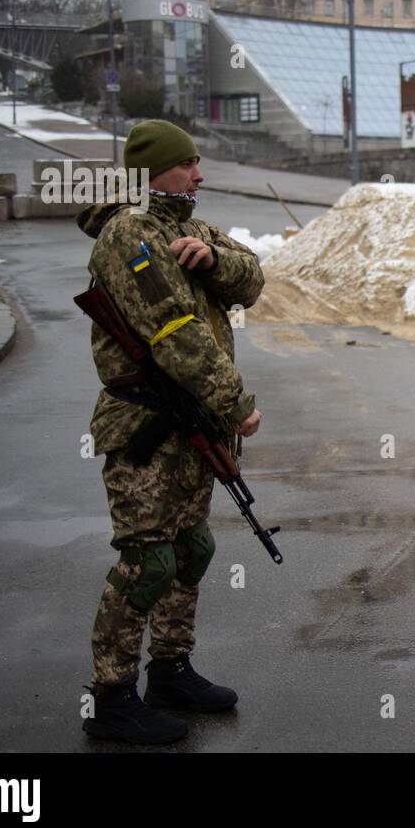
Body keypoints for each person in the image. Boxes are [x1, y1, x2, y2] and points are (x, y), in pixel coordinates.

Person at [76, 119, 266, 742]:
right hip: (147, 429)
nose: (199, 174)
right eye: (188, 164)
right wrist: (236, 403)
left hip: (189, 424)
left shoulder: (186, 227)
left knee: (191, 549)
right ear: (156, 169)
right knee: (147, 562)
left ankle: (171, 670)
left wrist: (214, 260)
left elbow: (254, 277)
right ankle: (111, 696)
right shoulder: (129, 233)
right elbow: (173, 333)